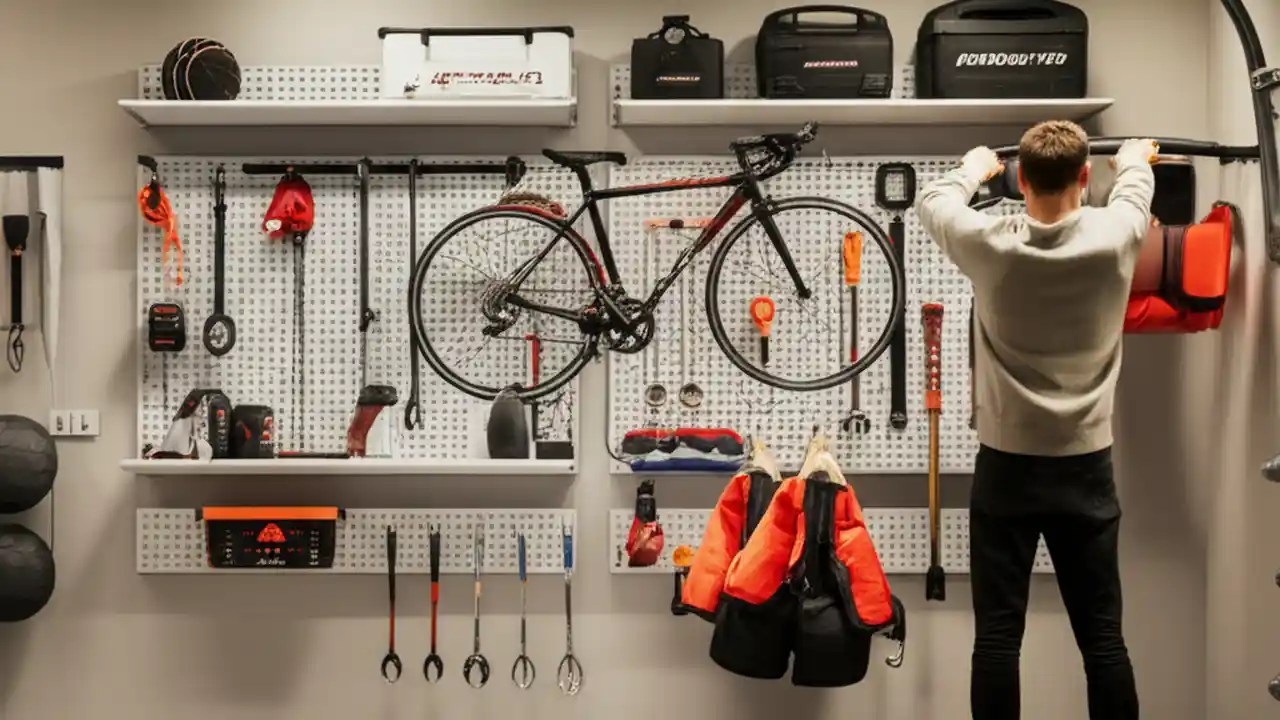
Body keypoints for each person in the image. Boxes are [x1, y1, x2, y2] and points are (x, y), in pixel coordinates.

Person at [916, 120, 1156, 720]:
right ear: (1084, 175)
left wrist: (973, 168)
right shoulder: (1119, 233)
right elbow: (1133, 187)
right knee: (1103, 641)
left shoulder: (989, 242)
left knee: (997, 639)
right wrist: (1132, 158)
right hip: (1086, 469)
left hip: (1007, 470)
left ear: (1021, 180)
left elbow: (934, 201)